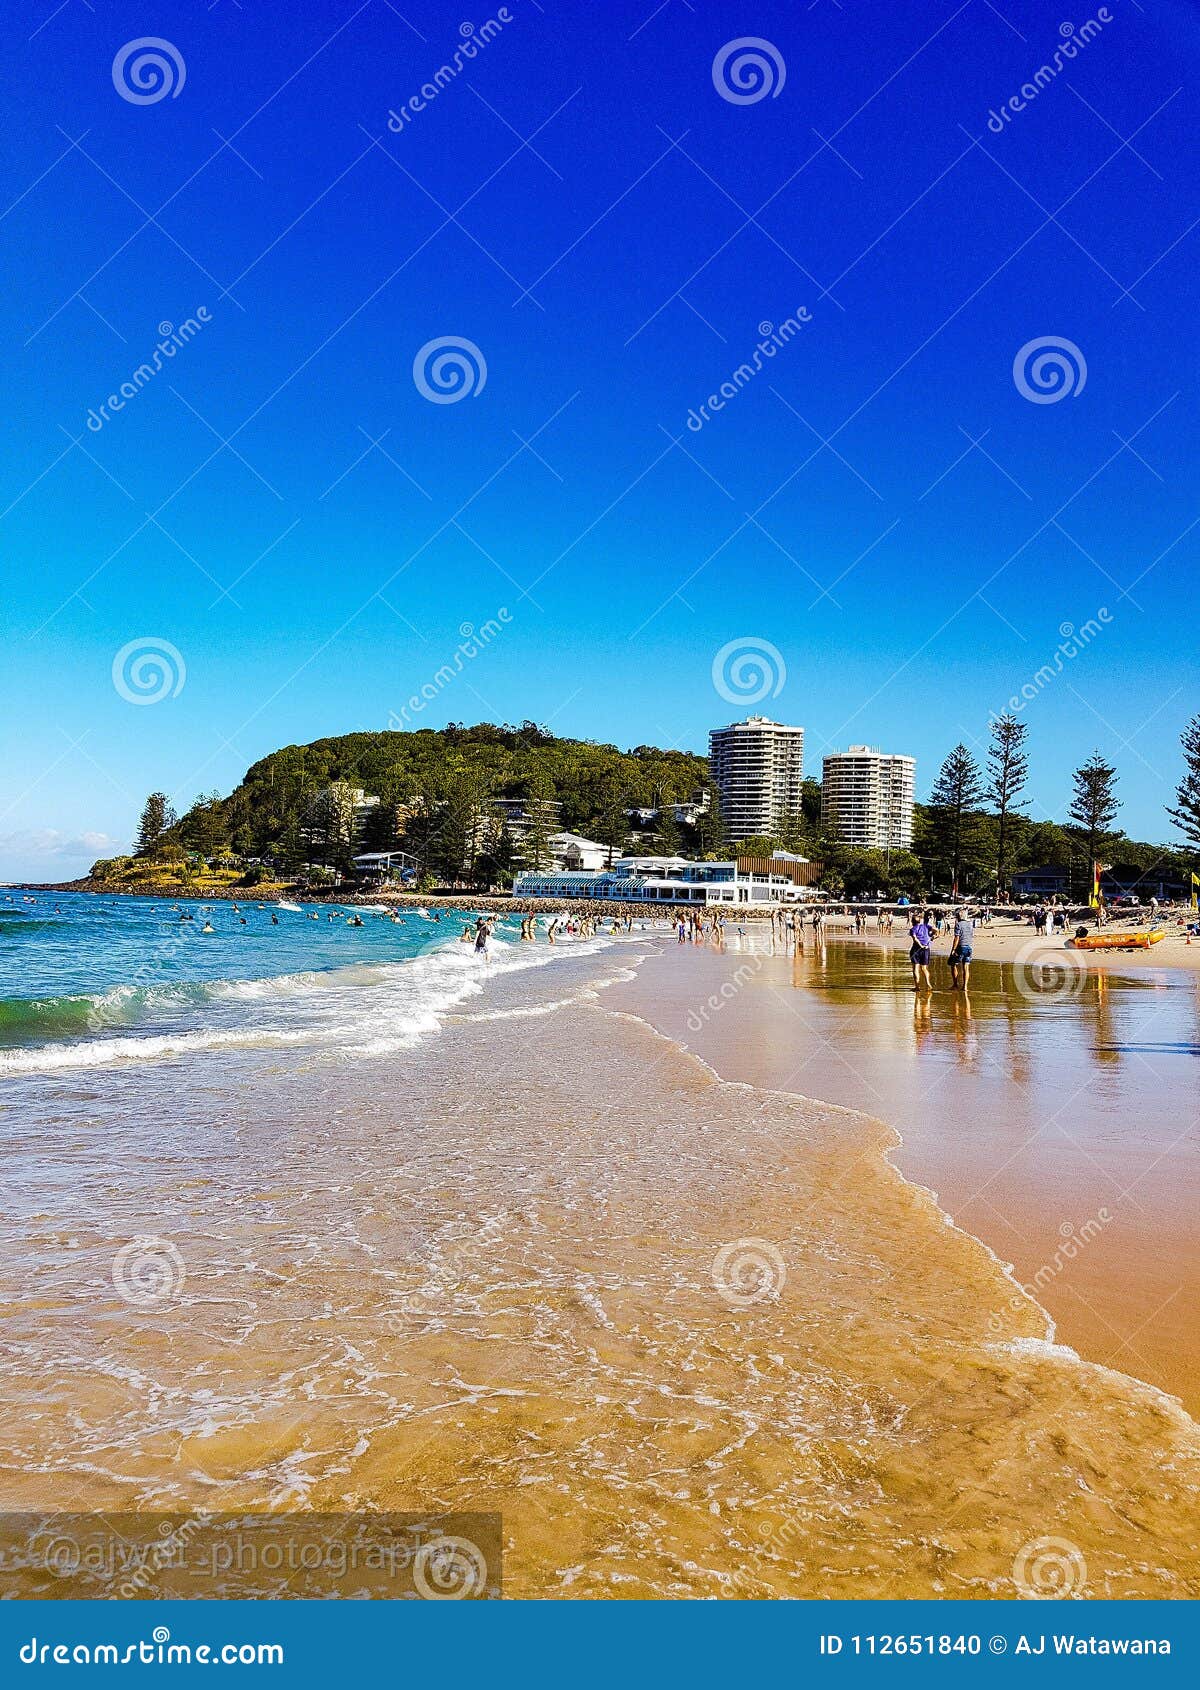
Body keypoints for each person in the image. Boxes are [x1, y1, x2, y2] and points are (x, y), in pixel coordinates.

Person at [948, 908, 974, 990]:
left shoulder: (958, 924)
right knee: (966, 967)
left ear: (958, 917)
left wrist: (953, 949)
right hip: (969, 947)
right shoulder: (970, 924)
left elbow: (957, 938)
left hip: (961, 947)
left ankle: (955, 984)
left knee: (953, 964)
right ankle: (965, 986)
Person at [909, 910, 933, 992]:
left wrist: (921, 945)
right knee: (924, 968)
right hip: (926, 949)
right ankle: (928, 983)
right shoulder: (925, 926)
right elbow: (935, 930)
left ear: (912, 922)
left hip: (916, 950)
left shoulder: (912, 929)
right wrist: (932, 937)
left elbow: (915, 939)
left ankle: (917, 986)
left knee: (916, 968)